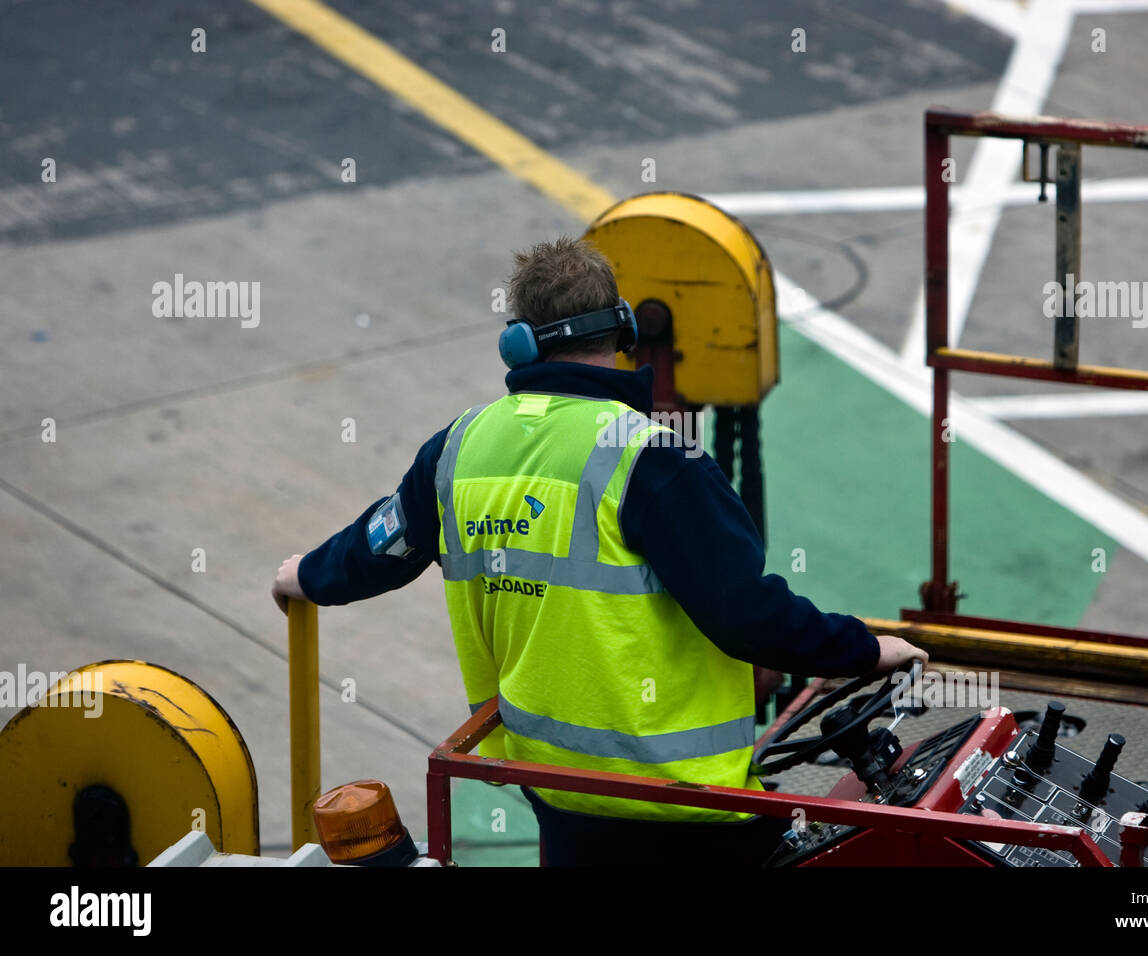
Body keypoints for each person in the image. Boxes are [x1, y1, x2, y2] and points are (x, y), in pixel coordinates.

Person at [272, 236, 928, 866]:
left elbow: (378, 548)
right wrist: (867, 647)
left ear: (517, 343)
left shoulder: (457, 448)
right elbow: (746, 614)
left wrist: (306, 574)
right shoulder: (653, 456)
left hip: (556, 790)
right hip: (685, 805)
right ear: (622, 331)